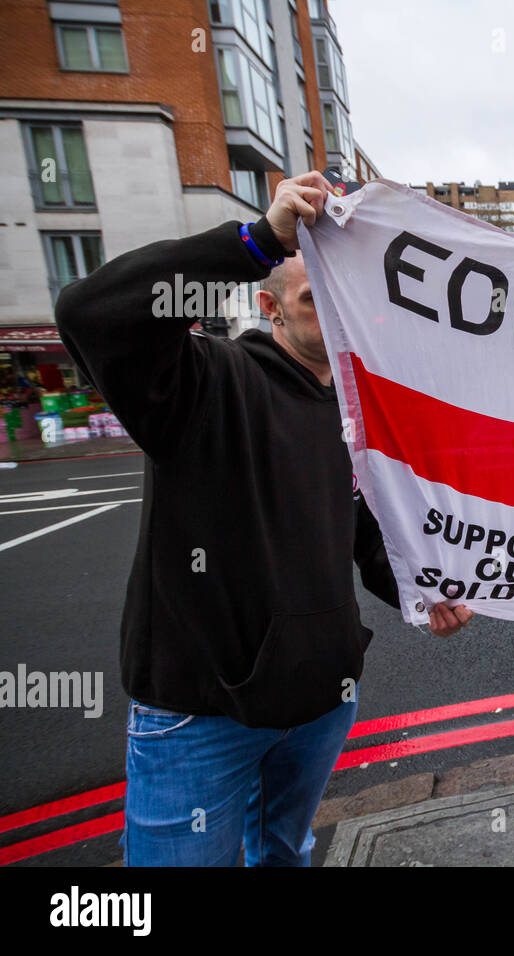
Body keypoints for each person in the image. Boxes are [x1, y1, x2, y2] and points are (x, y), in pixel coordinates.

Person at [55, 171, 472, 866]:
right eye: (314, 297)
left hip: (320, 706)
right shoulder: (200, 381)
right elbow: (90, 311)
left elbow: (362, 522)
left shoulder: (353, 410)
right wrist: (253, 240)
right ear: (269, 308)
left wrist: (420, 587)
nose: (335, 310)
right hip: (201, 721)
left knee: (283, 853)